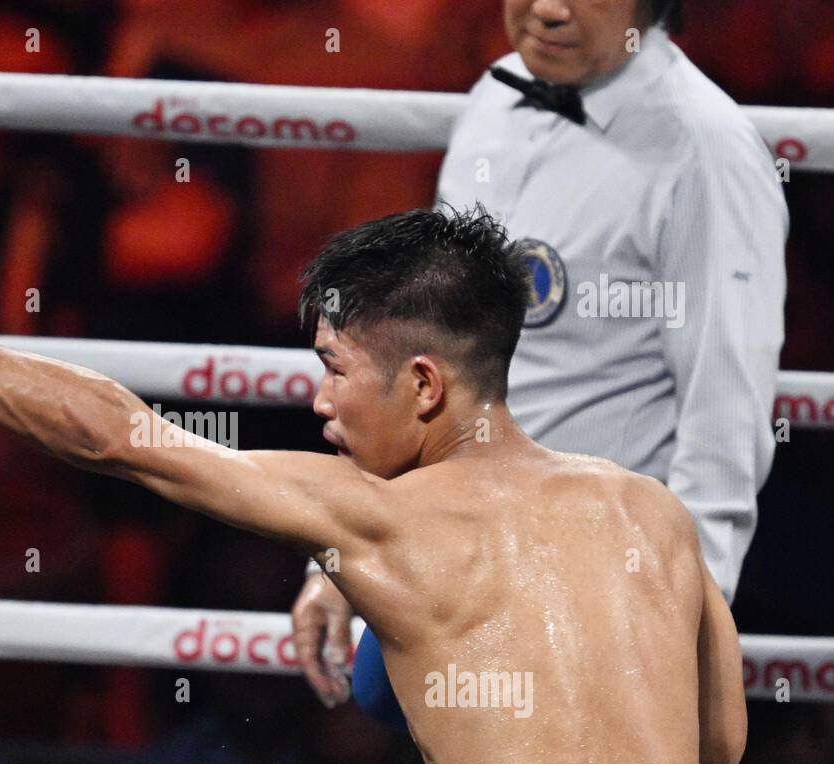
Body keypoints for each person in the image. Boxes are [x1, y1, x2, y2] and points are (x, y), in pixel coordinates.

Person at [0, 206, 745, 764]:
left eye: (333, 370)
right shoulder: (652, 509)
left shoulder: (377, 520)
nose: (319, 403)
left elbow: (120, 439)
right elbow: (722, 744)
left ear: (425, 386)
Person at [293, 0, 788, 718]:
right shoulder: (495, 97)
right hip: (451, 561)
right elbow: (420, 350)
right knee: (397, 743)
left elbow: (725, 423)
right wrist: (344, 553)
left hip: (591, 589)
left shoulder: (706, 151)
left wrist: (676, 633)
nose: (547, 7)